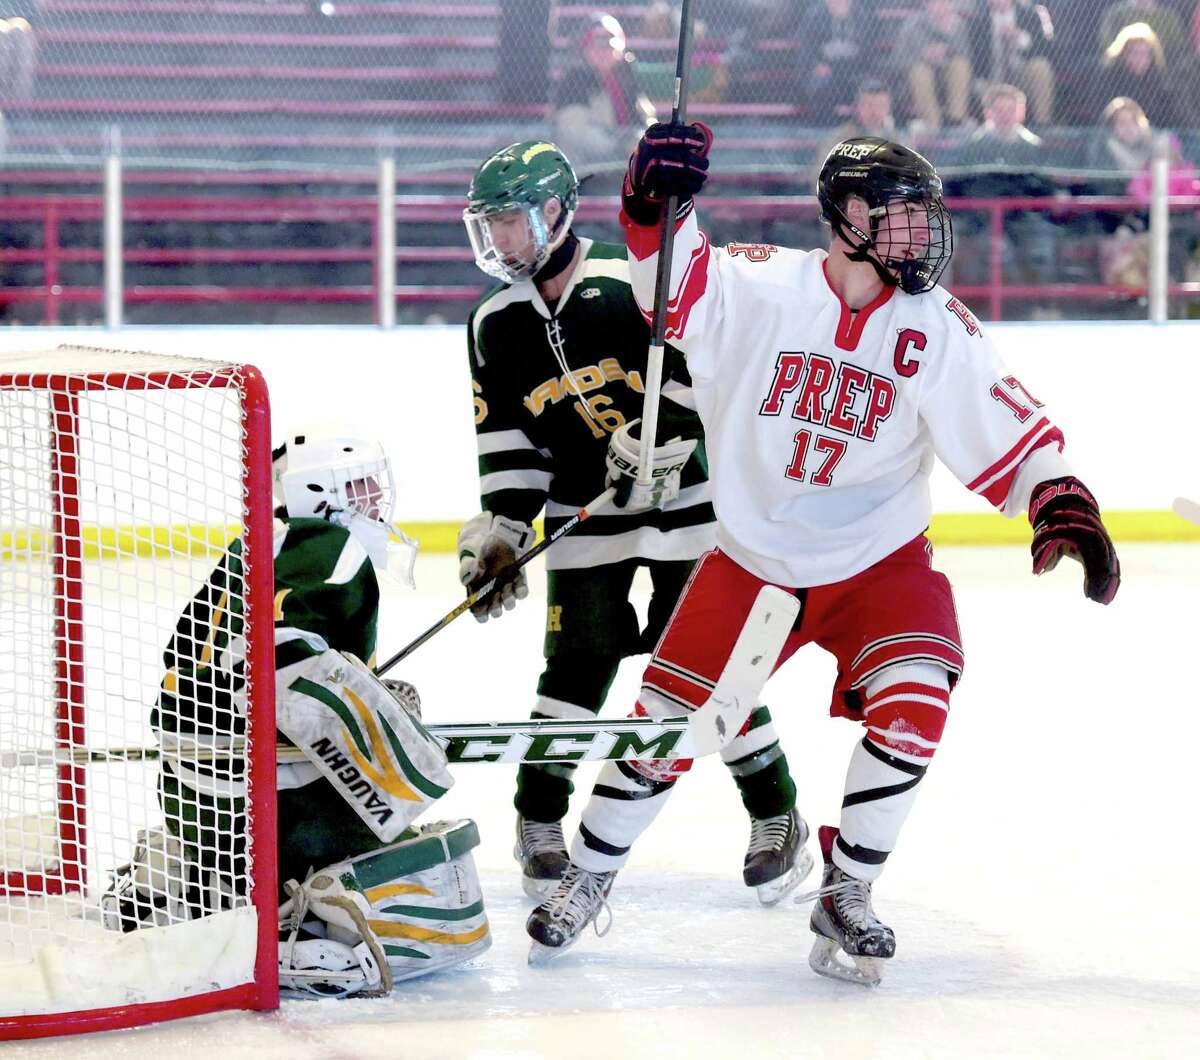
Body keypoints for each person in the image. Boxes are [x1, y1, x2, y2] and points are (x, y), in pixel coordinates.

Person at [525, 124, 1121, 984]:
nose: (923, 235)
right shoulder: (760, 286)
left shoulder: (936, 324)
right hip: (752, 556)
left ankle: (849, 890)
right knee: (663, 728)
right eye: (901, 217)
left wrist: (1060, 501)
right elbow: (669, 286)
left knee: (918, 702)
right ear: (845, 216)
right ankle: (588, 875)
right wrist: (653, 200)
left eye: (925, 218)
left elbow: (1010, 425)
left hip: (879, 563)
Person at [459, 139, 807, 907]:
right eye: (492, 225)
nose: (503, 240)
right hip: (583, 517)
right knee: (575, 669)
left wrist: (670, 431)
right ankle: (539, 819)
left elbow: (711, 368)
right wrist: (503, 536)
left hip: (686, 508)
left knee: (707, 672)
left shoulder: (630, 281)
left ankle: (777, 812)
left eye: (514, 222)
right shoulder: (493, 323)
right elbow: (509, 443)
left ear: (556, 211)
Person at [103, 431, 489, 997]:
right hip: (265, 809)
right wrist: (381, 718)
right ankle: (294, 935)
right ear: (316, 492)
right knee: (420, 865)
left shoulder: (258, 544)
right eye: (358, 486)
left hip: (192, 795)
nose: (374, 499)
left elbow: (197, 661)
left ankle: (184, 873)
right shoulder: (337, 549)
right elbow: (282, 659)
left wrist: (362, 682)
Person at [552, 13, 656, 188]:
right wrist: (623, 145)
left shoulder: (626, 78)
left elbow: (646, 118)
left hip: (623, 165)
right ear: (584, 50)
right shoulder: (574, 80)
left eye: (609, 47)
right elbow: (575, 132)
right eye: (596, 47)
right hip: (586, 173)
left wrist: (642, 139)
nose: (604, 52)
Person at [967, 0, 1056, 124]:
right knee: (979, 85)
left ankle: (1043, 123)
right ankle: (990, 128)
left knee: (1040, 67)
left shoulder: (1030, 15)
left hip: (1022, 76)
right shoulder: (978, 20)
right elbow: (974, 56)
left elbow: (1047, 51)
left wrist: (1020, 38)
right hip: (992, 78)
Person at [893, 0, 974, 133]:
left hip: (947, 77)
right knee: (920, 71)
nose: (941, 6)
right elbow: (899, 59)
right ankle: (932, 124)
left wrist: (947, 43)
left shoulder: (958, 25)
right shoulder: (912, 25)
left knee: (960, 64)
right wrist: (922, 56)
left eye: (946, 2)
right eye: (936, 2)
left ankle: (955, 121)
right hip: (915, 80)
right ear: (926, 4)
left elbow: (966, 55)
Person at [1093, 21, 1184, 127]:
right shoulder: (1108, 79)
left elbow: (1171, 115)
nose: (1140, 58)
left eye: (1145, 53)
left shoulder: (1160, 80)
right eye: (1134, 53)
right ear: (1123, 54)